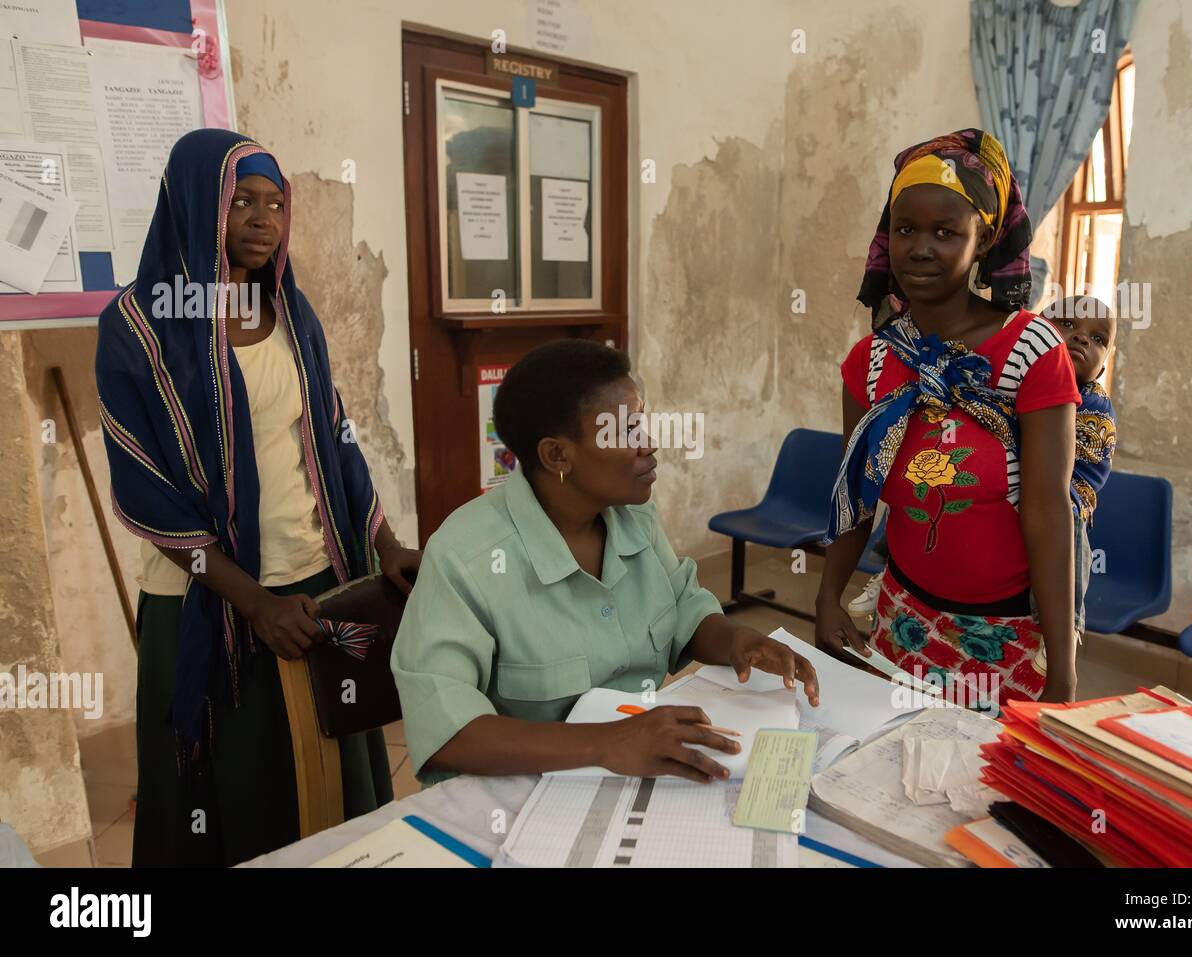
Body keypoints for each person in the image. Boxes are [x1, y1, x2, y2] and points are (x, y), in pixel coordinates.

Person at [96, 129, 422, 866]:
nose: (262, 218)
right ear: (192, 202)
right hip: (214, 595)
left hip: (315, 580)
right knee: (235, 790)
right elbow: (147, 493)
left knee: (336, 778)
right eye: (240, 200)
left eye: (275, 203)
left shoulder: (291, 312)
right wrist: (253, 600)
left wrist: (386, 541)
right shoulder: (137, 330)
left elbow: (335, 437)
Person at [392, 339, 819, 785]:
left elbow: (684, 613)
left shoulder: (633, 516)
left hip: (637, 774)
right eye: (625, 432)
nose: (649, 444)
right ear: (557, 455)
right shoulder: (467, 558)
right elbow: (447, 732)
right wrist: (610, 742)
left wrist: (737, 641)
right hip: (520, 792)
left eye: (643, 422)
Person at [814, 129, 1081, 710]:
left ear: (982, 240)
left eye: (945, 232)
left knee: (983, 793)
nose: (920, 248)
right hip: (902, 618)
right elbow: (855, 494)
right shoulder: (876, 359)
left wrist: (1062, 669)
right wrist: (828, 596)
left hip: (1005, 633)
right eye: (906, 230)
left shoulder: (1030, 352)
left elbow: (1047, 510)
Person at [1040, 294, 1118, 647]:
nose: (1081, 337)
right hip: (1016, 478)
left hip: (1068, 489)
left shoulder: (1094, 403)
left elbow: (1080, 458)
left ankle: (1064, 626)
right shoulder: (1010, 381)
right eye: (1067, 324)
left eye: (1098, 338)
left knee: (1067, 524)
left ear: (1103, 365)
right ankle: (894, 566)